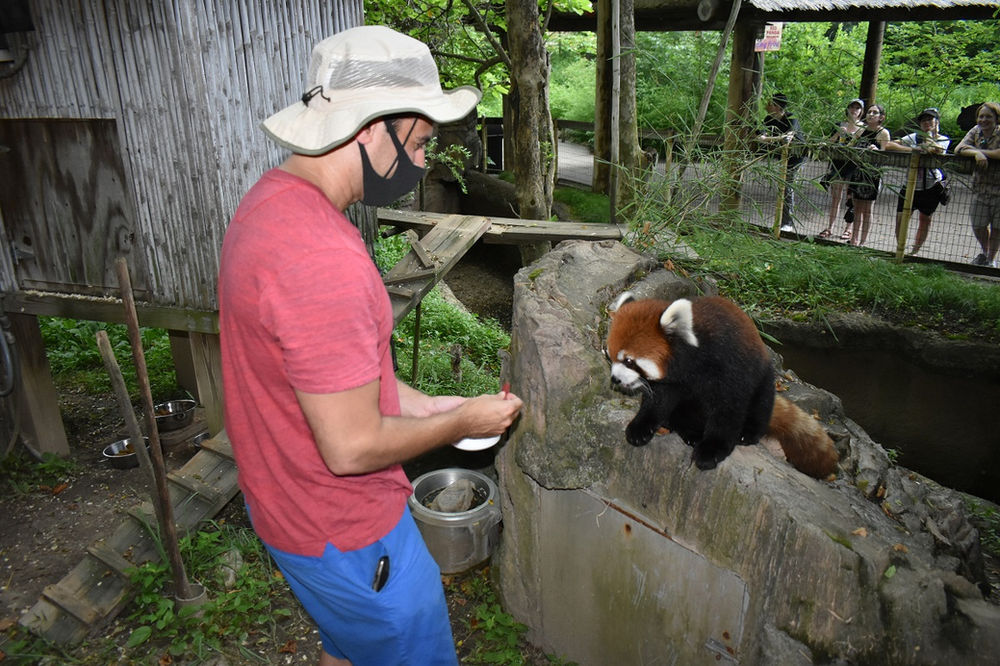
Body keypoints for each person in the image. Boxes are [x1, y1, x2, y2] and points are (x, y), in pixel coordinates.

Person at [217, 26, 523, 666]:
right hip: (348, 532)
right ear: (369, 130)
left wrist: (436, 406)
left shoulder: (267, 206)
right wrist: (461, 424)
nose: (421, 162)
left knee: (350, 644)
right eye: (418, 142)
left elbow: (334, 386)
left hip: (284, 505)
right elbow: (351, 446)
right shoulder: (324, 260)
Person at [893, 108, 950, 256]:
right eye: (923, 120)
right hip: (910, 184)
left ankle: (914, 252)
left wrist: (929, 138)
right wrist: (914, 149)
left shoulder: (943, 139)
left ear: (937, 121)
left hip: (931, 186)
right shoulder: (914, 138)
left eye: (930, 119)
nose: (927, 123)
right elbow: (890, 145)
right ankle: (901, 250)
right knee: (900, 218)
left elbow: (935, 149)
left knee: (925, 219)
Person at [846, 104, 903, 246]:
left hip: (872, 175)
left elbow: (884, 155)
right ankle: (854, 239)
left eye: (875, 113)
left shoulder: (883, 133)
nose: (871, 114)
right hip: (858, 173)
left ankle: (863, 242)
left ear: (881, 117)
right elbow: (850, 147)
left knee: (867, 209)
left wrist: (876, 150)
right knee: (857, 207)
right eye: (869, 112)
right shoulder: (861, 131)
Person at [954, 102, 1000, 267]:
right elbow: (959, 148)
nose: (984, 120)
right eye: (981, 116)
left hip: (999, 190)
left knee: (997, 227)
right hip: (980, 188)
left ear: (996, 118)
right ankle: (986, 252)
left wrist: (981, 153)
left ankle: (990, 259)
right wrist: (976, 153)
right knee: (978, 225)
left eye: (988, 116)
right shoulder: (975, 131)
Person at [757, 93, 805, 233]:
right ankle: (781, 221)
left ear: (777, 107)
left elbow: (788, 137)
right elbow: (760, 134)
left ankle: (788, 222)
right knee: (782, 187)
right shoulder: (768, 119)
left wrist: (768, 139)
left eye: (770, 104)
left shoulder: (791, 118)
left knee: (787, 187)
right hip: (783, 157)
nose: (766, 106)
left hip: (796, 156)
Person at [818, 98, 864, 240]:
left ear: (861, 111)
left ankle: (848, 229)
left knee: (851, 199)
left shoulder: (864, 129)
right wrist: (838, 134)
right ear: (847, 109)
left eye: (857, 108)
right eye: (852, 107)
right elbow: (828, 143)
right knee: (835, 198)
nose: (854, 110)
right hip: (838, 165)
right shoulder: (839, 125)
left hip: (854, 167)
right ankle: (830, 227)